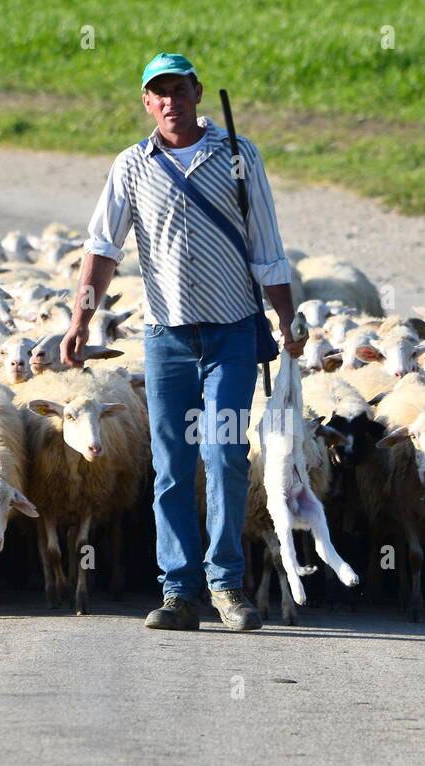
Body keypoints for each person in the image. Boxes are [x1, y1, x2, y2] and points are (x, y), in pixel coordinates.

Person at [63, 52, 305, 632]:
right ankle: (179, 592)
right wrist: (81, 319)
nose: (169, 99)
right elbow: (103, 248)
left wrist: (288, 322)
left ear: (197, 92)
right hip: (167, 338)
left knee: (224, 454)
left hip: (230, 335)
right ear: (147, 102)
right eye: (157, 92)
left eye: (178, 88)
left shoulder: (240, 157)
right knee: (171, 464)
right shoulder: (131, 166)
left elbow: (268, 247)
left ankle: (226, 585)